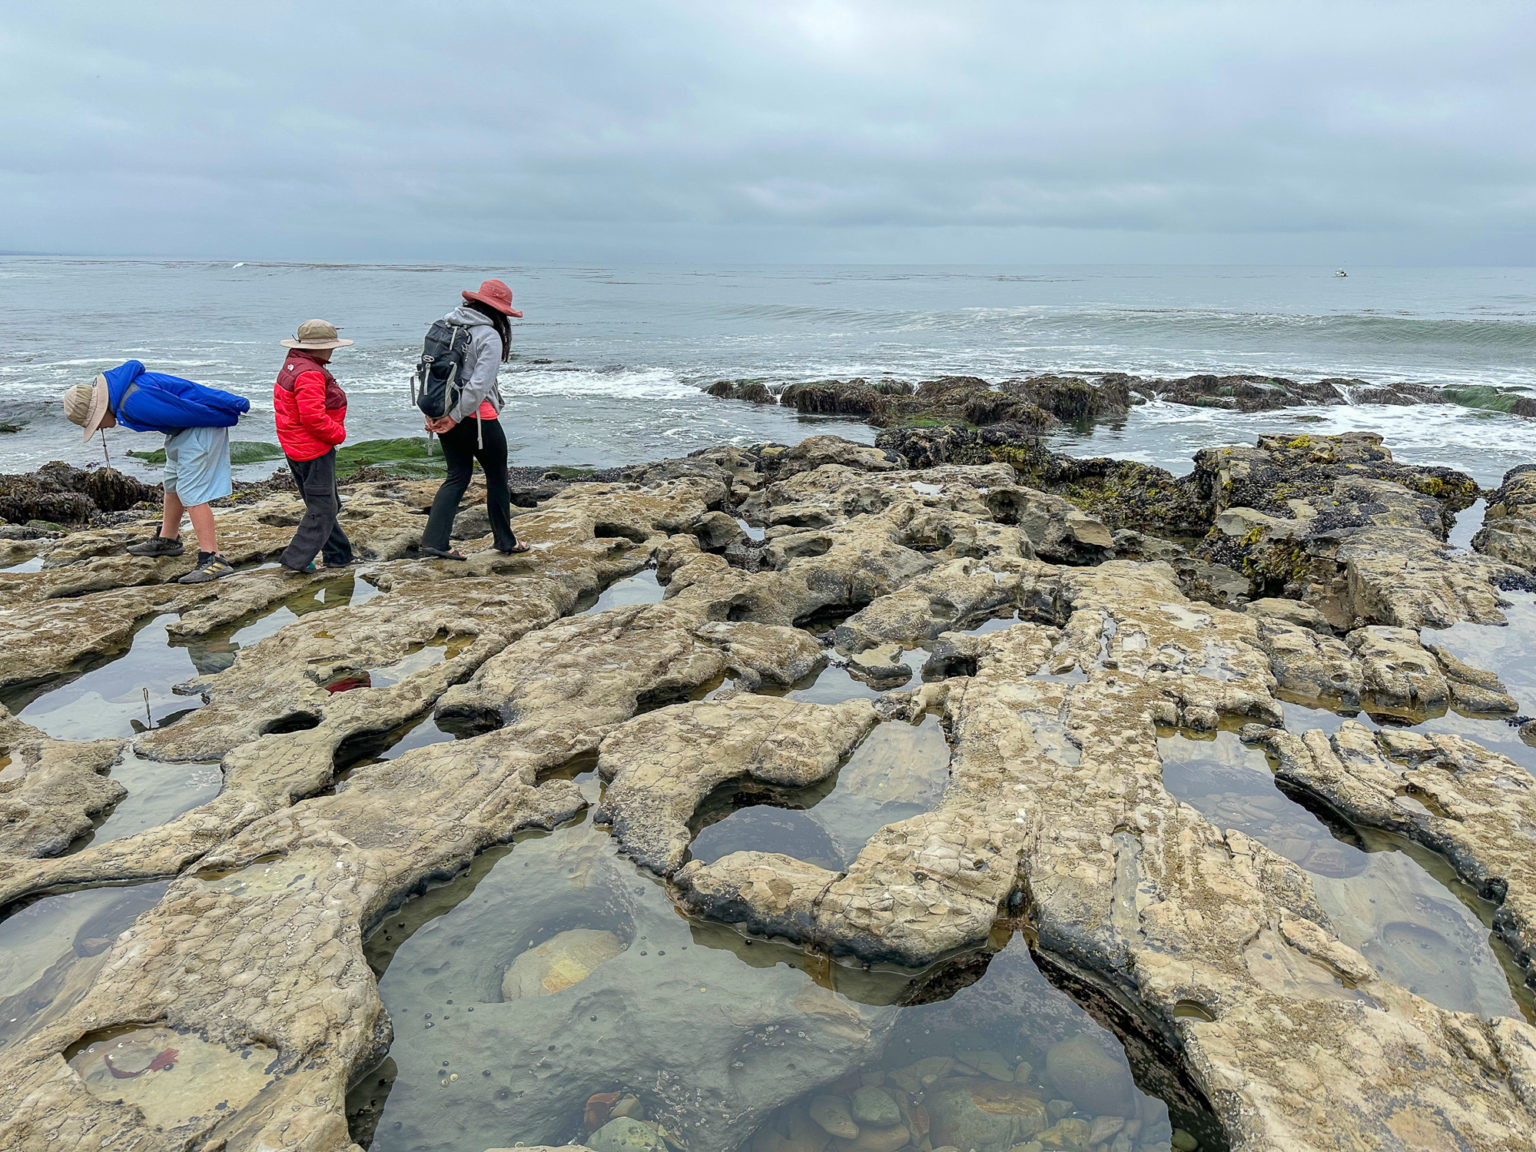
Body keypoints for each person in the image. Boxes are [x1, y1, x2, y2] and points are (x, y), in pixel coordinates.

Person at [63, 361, 250, 583]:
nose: (99, 427)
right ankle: (168, 539)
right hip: (183, 431)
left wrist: (227, 413)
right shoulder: (123, 394)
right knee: (172, 482)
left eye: (95, 423)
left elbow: (190, 410)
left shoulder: (133, 402)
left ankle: (213, 558)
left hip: (202, 428)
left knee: (192, 492)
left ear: (101, 408)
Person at [419, 278, 531, 560]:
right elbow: (479, 385)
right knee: (497, 478)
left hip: (444, 413)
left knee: (456, 476)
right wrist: (456, 417)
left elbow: (428, 374)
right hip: (478, 419)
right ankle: (505, 541)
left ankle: (435, 541)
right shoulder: (488, 335)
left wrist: (436, 414)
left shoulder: (445, 326)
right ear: (498, 311)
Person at [274, 319, 355, 573]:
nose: (333, 350)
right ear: (318, 348)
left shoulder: (294, 364)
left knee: (327, 505)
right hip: (313, 449)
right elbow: (313, 418)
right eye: (331, 345)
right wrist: (337, 434)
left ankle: (339, 556)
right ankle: (295, 560)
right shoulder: (309, 373)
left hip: (295, 445)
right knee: (323, 508)